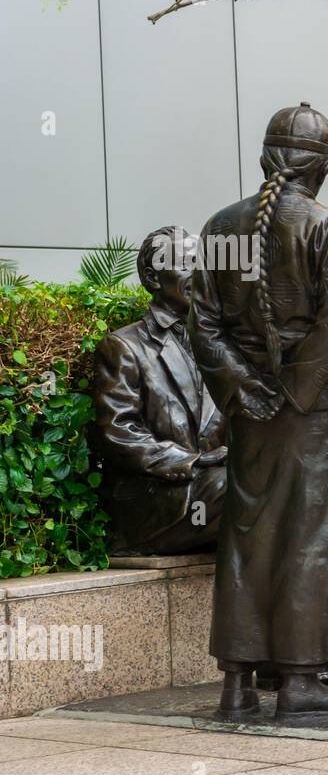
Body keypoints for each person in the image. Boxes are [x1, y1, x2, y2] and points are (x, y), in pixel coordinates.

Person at [190, 103, 328, 717]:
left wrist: (244, 390)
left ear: (266, 157)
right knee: (310, 538)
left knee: (247, 537)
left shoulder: (221, 227)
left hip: (251, 416)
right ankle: (297, 681)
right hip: (311, 411)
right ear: (321, 167)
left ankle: (237, 684)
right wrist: (293, 393)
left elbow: (205, 324)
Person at [92, 227, 226, 555]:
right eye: (186, 263)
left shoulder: (222, 344)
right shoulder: (124, 346)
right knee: (245, 489)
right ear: (153, 279)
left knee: (293, 480)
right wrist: (193, 462)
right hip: (162, 499)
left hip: (218, 489)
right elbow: (119, 433)